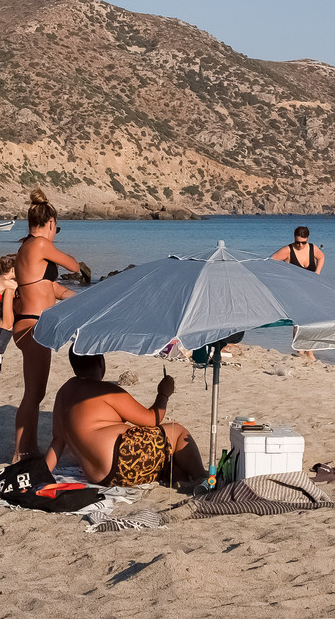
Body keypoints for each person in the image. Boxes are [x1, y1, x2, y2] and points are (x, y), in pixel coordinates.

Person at [45, 349, 204, 487]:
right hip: (123, 460)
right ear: (101, 363)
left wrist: (44, 474)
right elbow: (152, 419)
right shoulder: (106, 390)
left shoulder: (64, 393)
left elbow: (58, 440)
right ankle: (201, 477)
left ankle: (178, 475)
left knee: (165, 453)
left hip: (99, 477)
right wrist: (163, 394)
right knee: (177, 432)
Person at [12, 189, 79, 460]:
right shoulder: (40, 244)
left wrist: (90, 300)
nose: (55, 233)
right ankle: (20, 451)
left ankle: (28, 448)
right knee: (33, 394)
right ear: (50, 223)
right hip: (34, 325)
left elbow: (52, 287)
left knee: (35, 393)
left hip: (30, 323)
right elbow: (74, 266)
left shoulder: (27, 246)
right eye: (56, 228)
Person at [272, 226, 325, 359]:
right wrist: (283, 274)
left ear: (307, 240)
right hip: (294, 290)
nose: (300, 245)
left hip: (312, 289)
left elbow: (322, 257)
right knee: (299, 321)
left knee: (313, 320)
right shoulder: (288, 250)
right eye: (297, 242)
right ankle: (300, 350)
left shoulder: (313, 248)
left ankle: (310, 351)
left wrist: (317, 273)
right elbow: (271, 261)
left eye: (303, 242)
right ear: (294, 239)